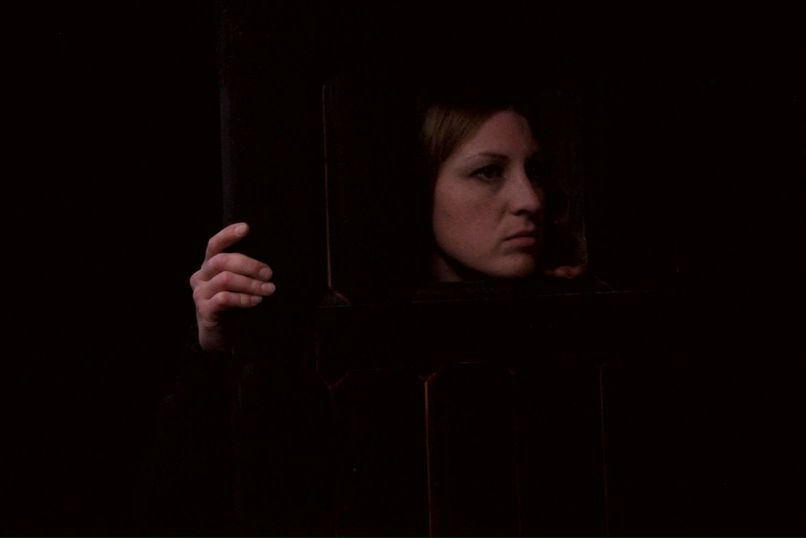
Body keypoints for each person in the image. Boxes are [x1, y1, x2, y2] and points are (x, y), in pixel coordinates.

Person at [190, 91, 586, 353]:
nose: (530, 200)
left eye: (534, 172)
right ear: (420, 189)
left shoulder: (569, 316)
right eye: (488, 172)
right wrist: (220, 343)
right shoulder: (355, 332)